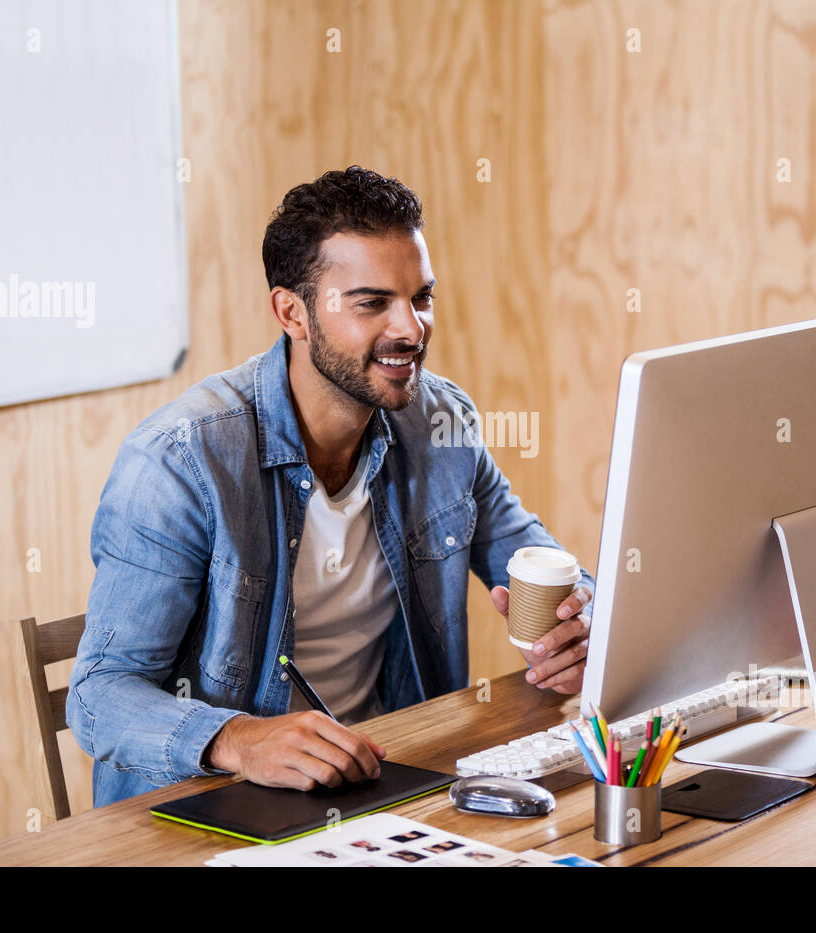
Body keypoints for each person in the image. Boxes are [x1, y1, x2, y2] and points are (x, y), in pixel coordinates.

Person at [67, 166, 594, 807]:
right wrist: (238, 738)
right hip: (213, 805)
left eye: (420, 297)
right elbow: (98, 696)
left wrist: (582, 622)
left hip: (388, 778)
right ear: (293, 312)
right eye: (373, 303)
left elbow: (538, 560)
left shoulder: (440, 424)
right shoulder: (180, 461)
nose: (411, 329)